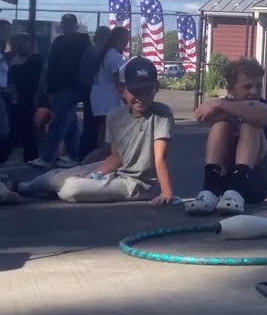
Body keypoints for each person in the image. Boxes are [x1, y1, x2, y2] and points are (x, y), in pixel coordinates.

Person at [18, 57, 176, 204]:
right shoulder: (115, 116)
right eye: (135, 91)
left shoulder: (162, 114)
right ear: (122, 90)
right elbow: (116, 158)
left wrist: (166, 193)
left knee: (72, 189)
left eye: (147, 91)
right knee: (54, 177)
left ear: (156, 88)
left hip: (136, 184)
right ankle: (24, 187)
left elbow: (159, 158)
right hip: (116, 171)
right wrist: (93, 177)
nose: (141, 97)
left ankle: (66, 188)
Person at [186, 58, 267, 215]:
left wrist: (221, 104)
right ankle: (210, 189)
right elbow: (200, 115)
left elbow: (266, 116)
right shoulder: (225, 107)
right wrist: (224, 110)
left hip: (257, 181)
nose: (254, 92)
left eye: (258, 86)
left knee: (251, 122)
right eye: (247, 87)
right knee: (221, 124)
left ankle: (238, 188)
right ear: (231, 89)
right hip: (225, 180)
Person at [33, 14, 92, 168]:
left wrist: (82, 84)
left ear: (75, 26)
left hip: (71, 87)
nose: (67, 27)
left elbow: (88, 65)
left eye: (70, 24)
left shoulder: (83, 42)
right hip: (57, 88)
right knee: (71, 124)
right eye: (65, 24)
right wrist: (46, 85)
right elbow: (50, 65)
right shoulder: (58, 42)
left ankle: (46, 157)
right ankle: (74, 156)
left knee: (58, 122)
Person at [83, 27, 130, 163]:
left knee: (104, 134)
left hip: (103, 99)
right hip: (108, 101)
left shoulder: (110, 53)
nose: (127, 41)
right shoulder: (113, 55)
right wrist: (127, 100)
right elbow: (119, 82)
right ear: (117, 38)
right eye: (125, 38)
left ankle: (99, 163)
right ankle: (95, 164)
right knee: (107, 137)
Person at [3, 34, 43, 164]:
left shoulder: (36, 59)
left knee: (26, 132)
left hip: (29, 100)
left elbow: (39, 80)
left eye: (27, 42)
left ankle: (31, 158)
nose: (23, 45)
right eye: (20, 42)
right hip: (11, 99)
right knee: (15, 131)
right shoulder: (8, 58)